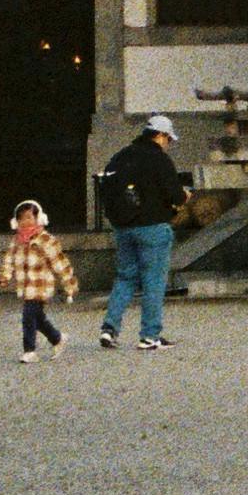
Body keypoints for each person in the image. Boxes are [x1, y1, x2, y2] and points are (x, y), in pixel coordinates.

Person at [96, 113, 186, 351]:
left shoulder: (121, 156)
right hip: (153, 227)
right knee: (153, 281)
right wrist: (185, 196)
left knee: (125, 277)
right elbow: (175, 195)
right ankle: (149, 336)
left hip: (124, 227)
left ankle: (109, 329)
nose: (169, 144)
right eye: (169, 139)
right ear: (160, 135)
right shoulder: (159, 160)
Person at [0, 200, 77, 361]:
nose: (25, 221)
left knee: (28, 316)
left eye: (29, 217)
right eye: (21, 218)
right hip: (25, 286)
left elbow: (60, 263)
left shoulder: (46, 239)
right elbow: (9, 260)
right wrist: (5, 276)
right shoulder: (16, 241)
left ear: (38, 218)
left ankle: (29, 351)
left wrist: (69, 283)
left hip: (41, 286)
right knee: (37, 318)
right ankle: (57, 338)